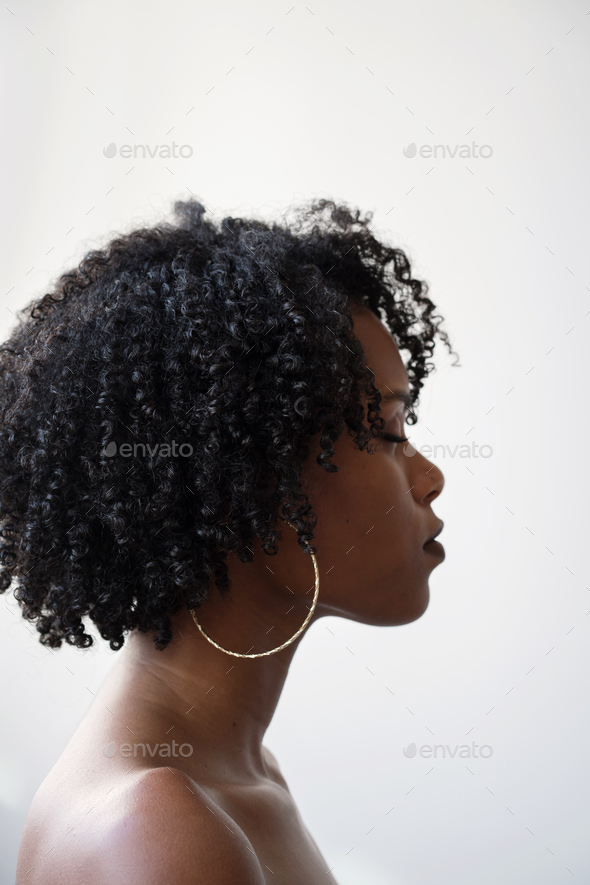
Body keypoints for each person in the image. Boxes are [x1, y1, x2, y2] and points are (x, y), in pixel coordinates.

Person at [2, 198, 451, 884]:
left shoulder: (237, 773)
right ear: (248, 478)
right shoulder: (157, 827)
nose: (430, 477)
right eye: (387, 433)